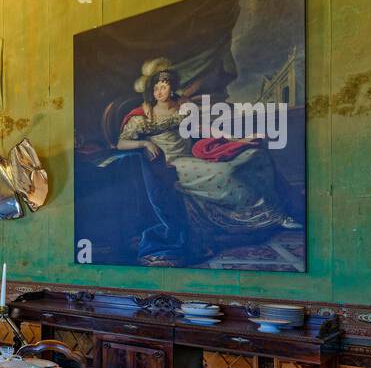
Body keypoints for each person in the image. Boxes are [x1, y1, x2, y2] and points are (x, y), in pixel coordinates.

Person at [116, 58, 303, 243]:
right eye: (156, 88)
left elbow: (202, 129)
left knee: (253, 156)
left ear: (172, 87)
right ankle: (266, 217)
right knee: (226, 172)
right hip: (171, 164)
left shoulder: (183, 106)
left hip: (191, 157)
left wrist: (234, 139)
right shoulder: (144, 116)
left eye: (163, 87)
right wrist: (145, 144)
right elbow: (121, 144)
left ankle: (277, 213)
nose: (159, 92)